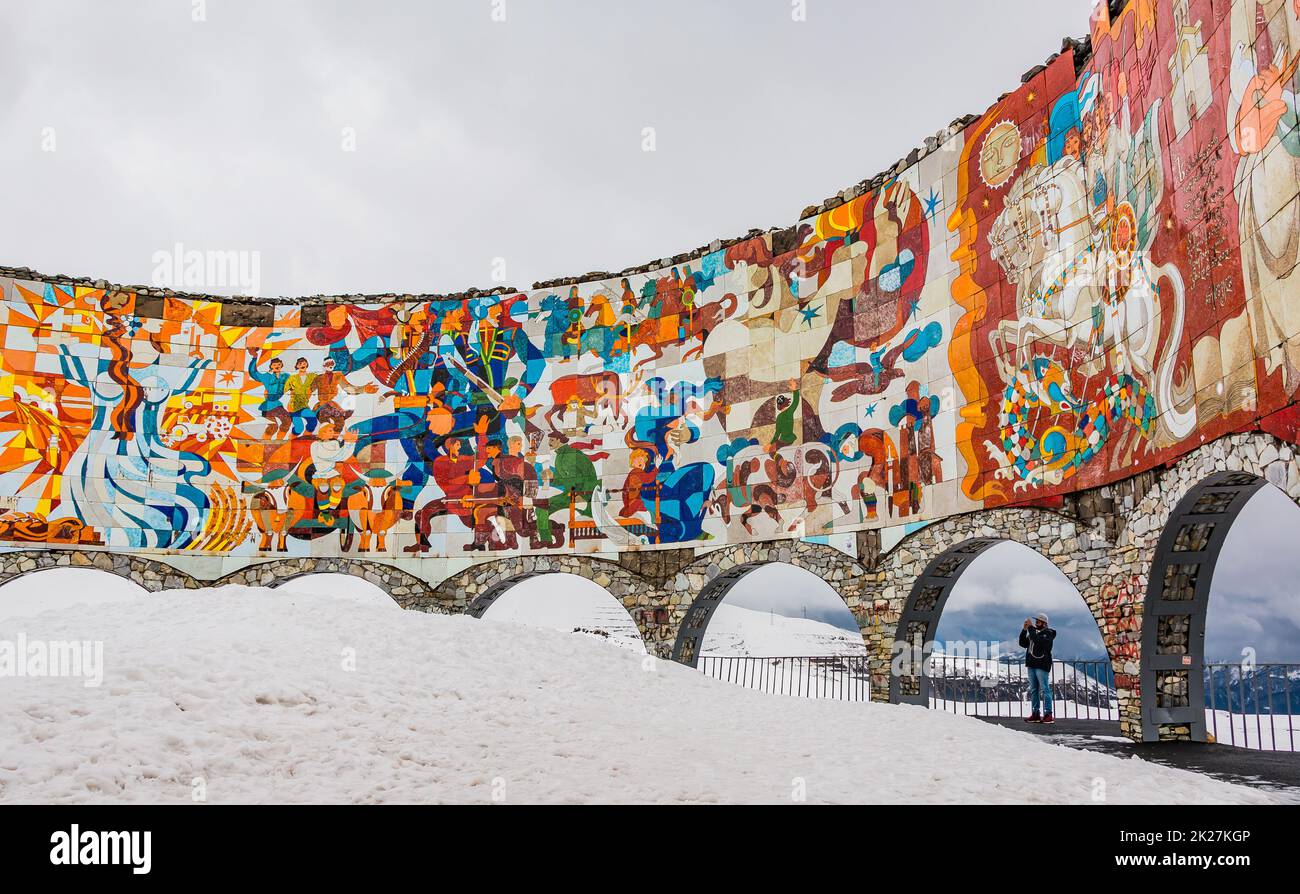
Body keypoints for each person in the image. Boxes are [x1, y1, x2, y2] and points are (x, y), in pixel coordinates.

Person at [1020, 613, 1056, 724]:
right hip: (1032, 664)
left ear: (1045, 623)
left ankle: (1048, 714)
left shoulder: (1048, 634)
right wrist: (1024, 630)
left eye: (1039, 622)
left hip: (1042, 664)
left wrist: (1030, 628)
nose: (1036, 623)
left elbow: (1039, 642)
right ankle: (1035, 713)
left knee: (1045, 689)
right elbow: (1023, 643)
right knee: (1034, 690)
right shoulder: (1033, 633)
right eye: (1036, 621)